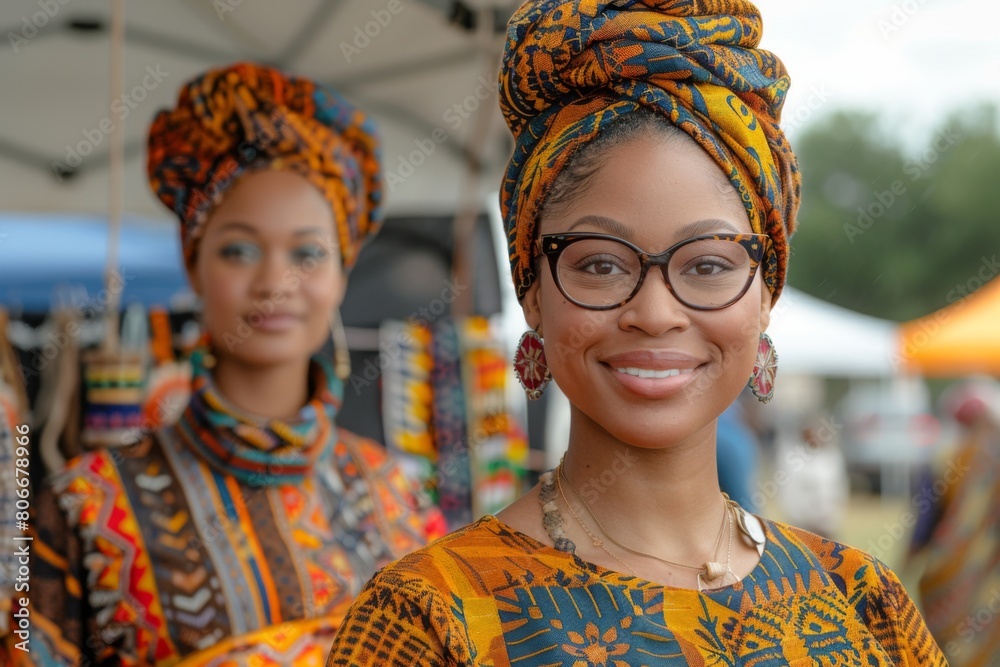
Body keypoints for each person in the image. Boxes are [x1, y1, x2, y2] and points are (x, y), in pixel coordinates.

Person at [325, 1, 946, 664]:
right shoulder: (429, 620)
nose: (654, 312)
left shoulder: (862, 602)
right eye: (599, 262)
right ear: (531, 289)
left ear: (766, 294)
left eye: (708, 263)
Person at [6, 62, 443, 666]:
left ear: (342, 274)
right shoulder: (83, 507)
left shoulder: (397, 493)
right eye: (239, 249)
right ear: (193, 267)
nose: (275, 281)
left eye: (308, 252)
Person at [909, 379, 1000, 664]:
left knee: (948, 649)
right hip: (988, 576)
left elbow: (922, 527)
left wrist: (903, 569)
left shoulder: (942, 460)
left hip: (945, 574)